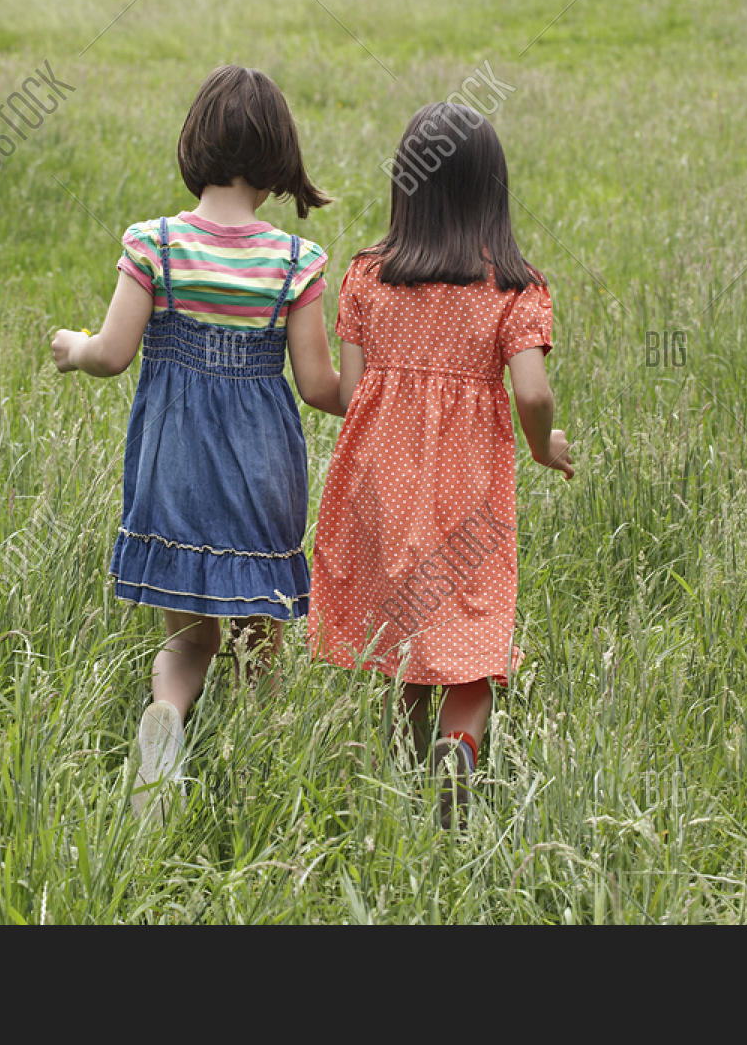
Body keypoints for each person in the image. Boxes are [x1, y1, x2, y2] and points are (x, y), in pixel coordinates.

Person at [52, 65, 342, 820]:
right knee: (258, 645)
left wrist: (71, 345)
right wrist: (386, 397)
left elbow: (112, 352)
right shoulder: (292, 262)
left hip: (172, 464)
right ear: (280, 156)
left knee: (187, 640)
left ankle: (169, 722)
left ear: (194, 143)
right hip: (260, 471)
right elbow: (318, 385)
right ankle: (259, 768)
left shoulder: (155, 243)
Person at [307, 102, 574, 829]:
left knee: (404, 629)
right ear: (493, 191)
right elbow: (532, 389)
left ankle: (402, 756)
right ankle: (459, 748)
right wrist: (543, 443)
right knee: (472, 637)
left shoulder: (367, 278)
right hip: (469, 493)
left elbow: (350, 393)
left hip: (378, 486)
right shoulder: (516, 288)